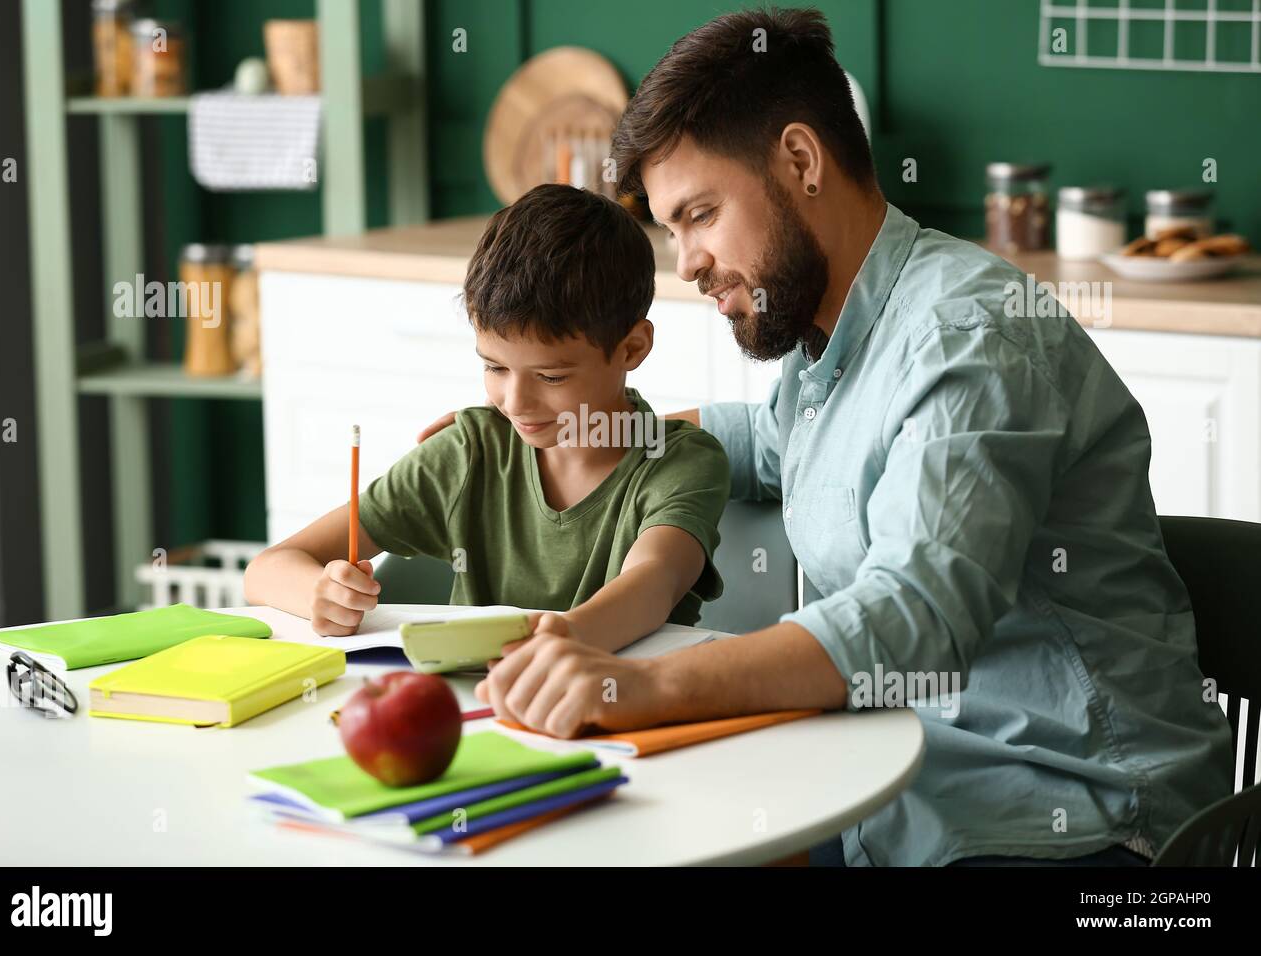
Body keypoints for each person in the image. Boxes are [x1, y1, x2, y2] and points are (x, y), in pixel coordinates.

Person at [419, 8, 1233, 867]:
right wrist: (560, 431)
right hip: (892, 801)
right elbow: (756, 443)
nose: (685, 261)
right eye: (670, 229)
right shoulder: (825, 344)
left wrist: (645, 685)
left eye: (700, 213)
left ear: (801, 161)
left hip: (1074, 819)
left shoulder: (971, 334)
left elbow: (919, 611)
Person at [245, 183, 731, 706]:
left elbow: (653, 584)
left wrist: (555, 644)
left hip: (617, 718)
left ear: (632, 347)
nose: (515, 401)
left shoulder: (680, 461)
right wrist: (319, 594)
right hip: (471, 721)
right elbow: (267, 569)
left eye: (549, 376)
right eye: (494, 367)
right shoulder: (470, 452)